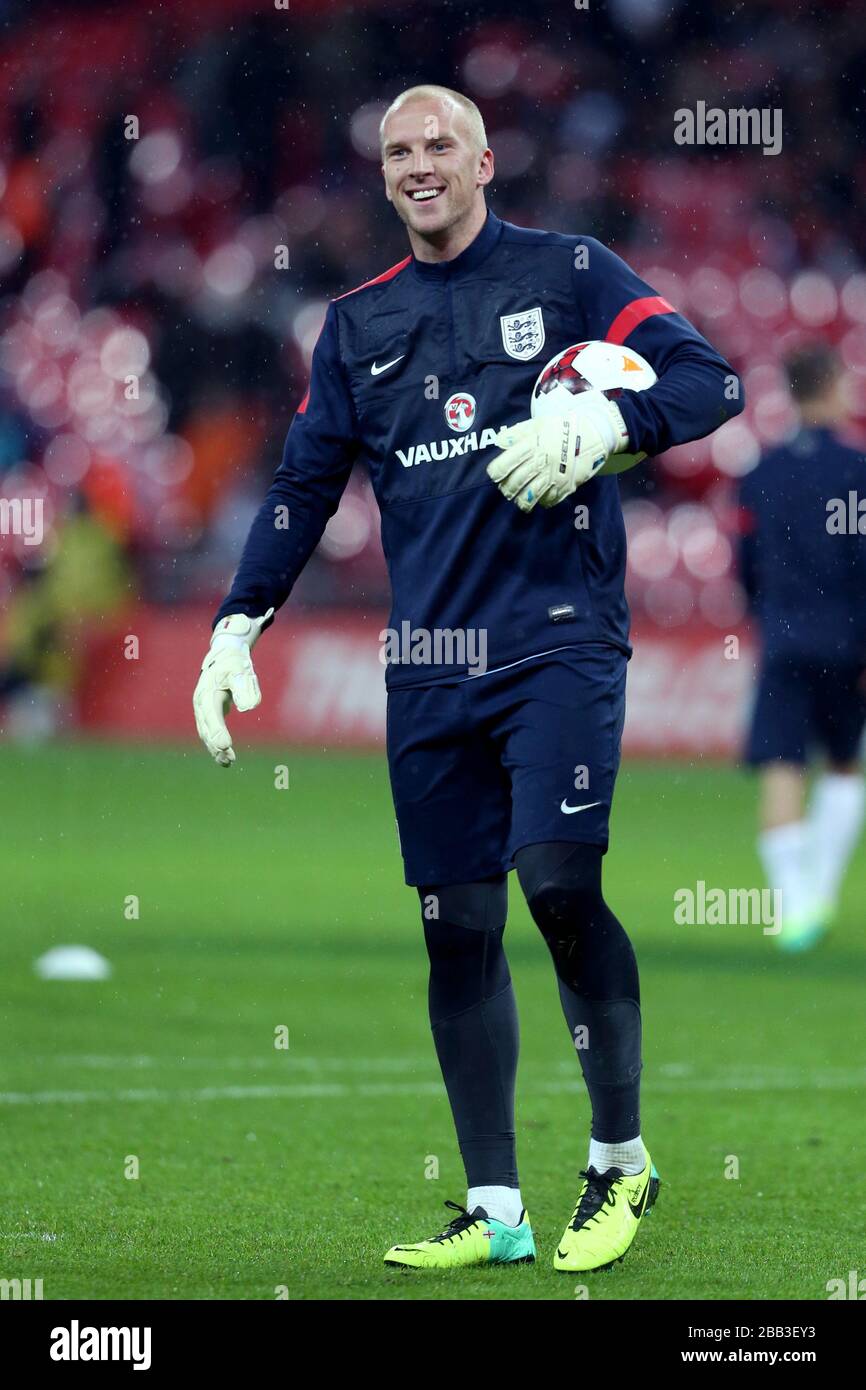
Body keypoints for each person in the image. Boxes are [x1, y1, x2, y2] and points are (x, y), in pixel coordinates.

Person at [193, 85, 742, 1274]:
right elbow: (299, 488)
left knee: (554, 879)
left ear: (485, 158)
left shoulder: (572, 271)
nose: (419, 163)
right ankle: (494, 1205)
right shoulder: (353, 325)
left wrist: (611, 428)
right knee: (457, 928)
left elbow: (712, 383)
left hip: (558, 637)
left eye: (439, 142)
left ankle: (619, 1163)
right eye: (398, 151)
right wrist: (238, 620)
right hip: (429, 663)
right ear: (384, 178)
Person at [738, 343, 865, 952]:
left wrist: (767, 614)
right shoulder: (856, 471)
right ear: (834, 386)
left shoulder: (760, 471)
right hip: (848, 640)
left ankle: (796, 908)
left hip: (784, 638)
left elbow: (745, 564)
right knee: (844, 763)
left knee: (782, 765)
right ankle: (817, 892)